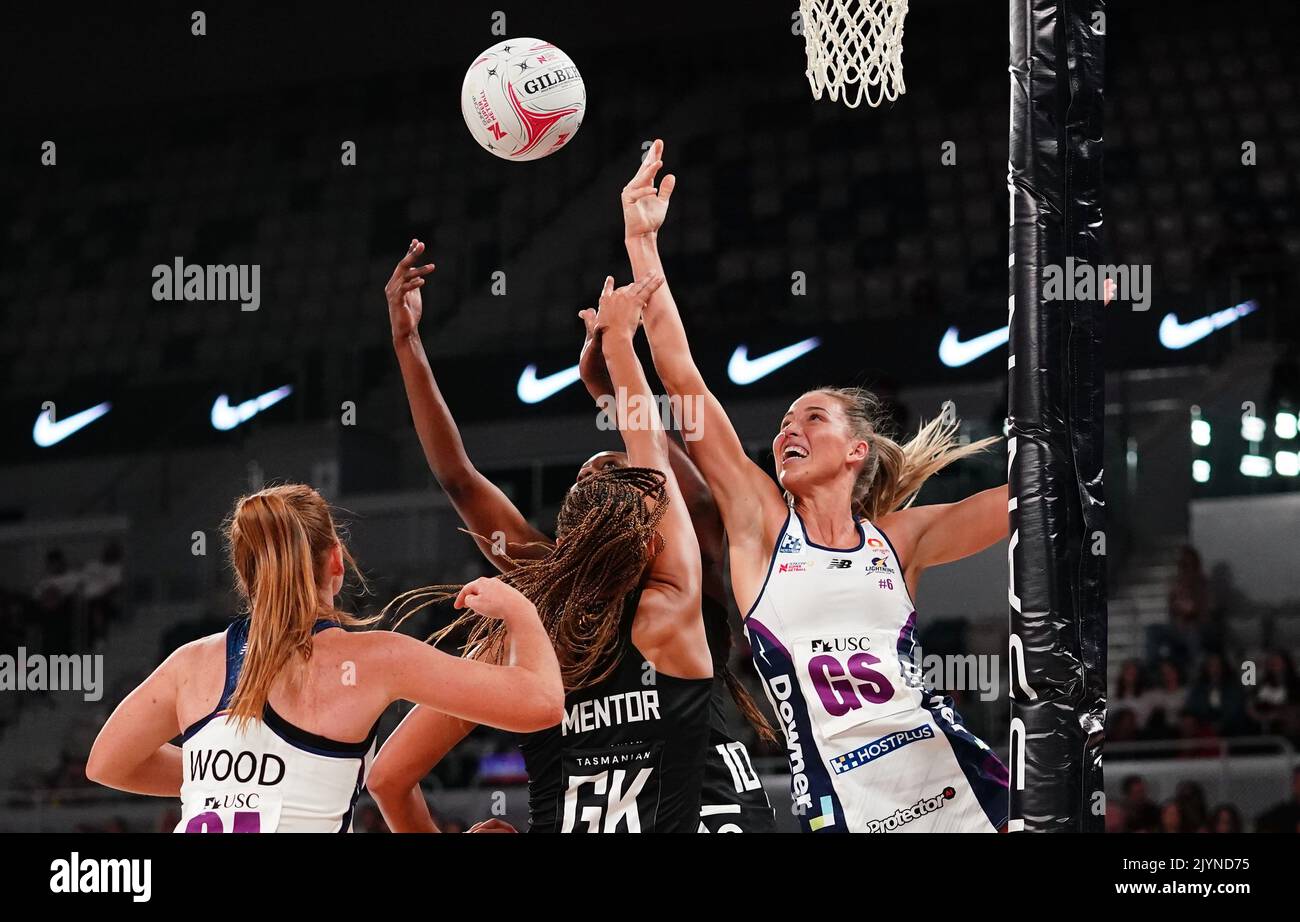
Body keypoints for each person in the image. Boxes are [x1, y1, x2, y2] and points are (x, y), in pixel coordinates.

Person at [623, 139, 1009, 832]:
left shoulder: (900, 540)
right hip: (844, 808)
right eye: (782, 422)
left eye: (812, 416)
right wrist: (642, 242)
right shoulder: (762, 524)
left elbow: (1027, 501)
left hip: (957, 783)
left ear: (856, 450)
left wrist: (1072, 351)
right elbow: (680, 376)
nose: (787, 429)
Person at [367, 237, 775, 832]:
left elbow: (675, 480)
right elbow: (460, 478)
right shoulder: (588, 593)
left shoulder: (679, 577)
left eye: (605, 473)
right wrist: (408, 344)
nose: (592, 473)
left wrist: (609, 382)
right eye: (589, 476)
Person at [86, 484, 562, 833]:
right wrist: (522, 610)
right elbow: (540, 703)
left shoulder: (191, 663)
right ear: (336, 561)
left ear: (243, 574)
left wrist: (230, 779)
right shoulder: (376, 658)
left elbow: (108, 764)